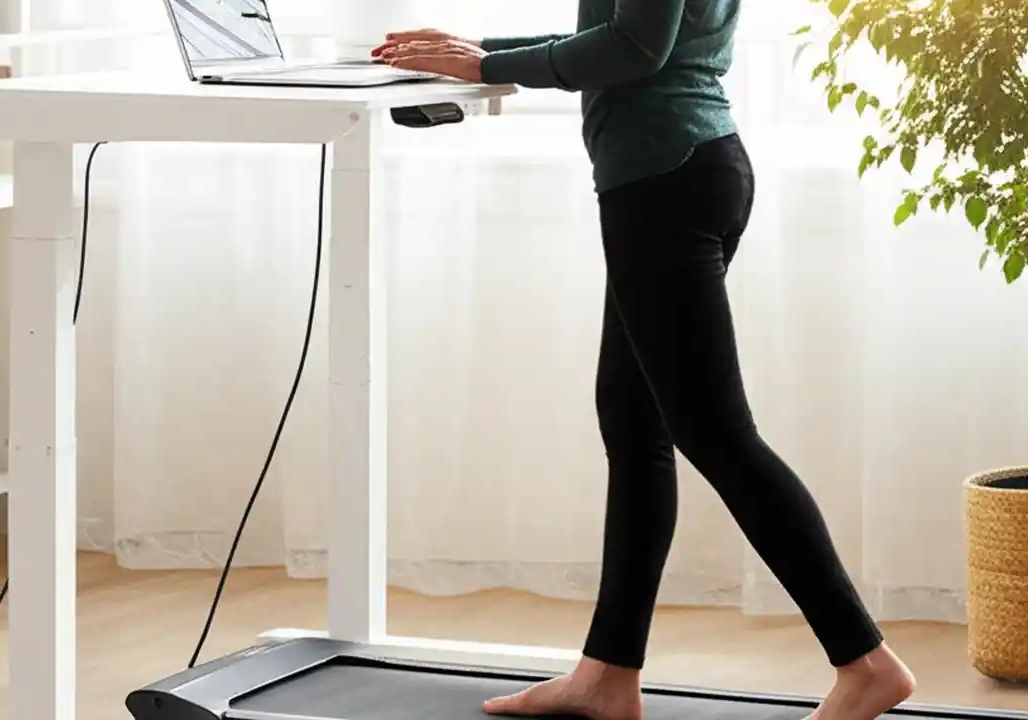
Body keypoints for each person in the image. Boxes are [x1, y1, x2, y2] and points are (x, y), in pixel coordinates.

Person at [373, 2, 916, 718]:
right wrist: (481, 48)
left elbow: (635, 48)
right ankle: (607, 674)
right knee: (633, 422)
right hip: (680, 167)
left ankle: (866, 662)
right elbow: (627, 35)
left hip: (663, 180)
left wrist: (486, 65)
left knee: (715, 433)